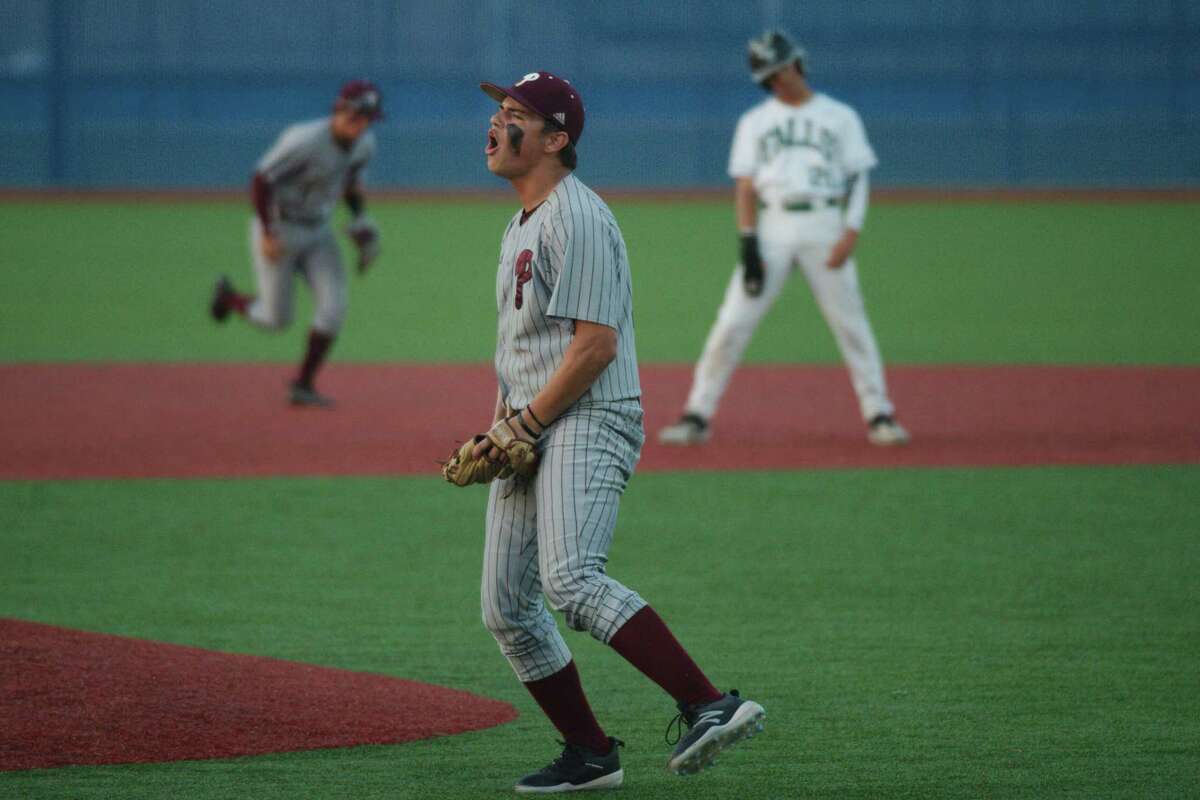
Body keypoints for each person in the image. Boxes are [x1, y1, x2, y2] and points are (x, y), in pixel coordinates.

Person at [471, 70, 765, 793]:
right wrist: (497, 433)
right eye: (499, 112)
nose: (494, 125)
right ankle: (590, 752)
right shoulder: (519, 224)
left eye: (513, 114)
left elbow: (594, 345)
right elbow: (525, 354)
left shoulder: (580, 216)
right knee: (506, 608)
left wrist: (527, 424)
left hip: (592, 414)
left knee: (569, 578)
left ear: (555, 138)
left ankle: (709, 703)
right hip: (535, 420)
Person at [658, 30, 910, 447]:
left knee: (851, 324)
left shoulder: (839, 116)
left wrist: (852, 229)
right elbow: (745, 187)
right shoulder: (755, 122)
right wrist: (748, 242)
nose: (774, 82)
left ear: (796, 64)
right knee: (732, 321)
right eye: (767, 78)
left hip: (826, 222)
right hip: (773, 225)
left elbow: (858, 176)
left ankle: (879, 413)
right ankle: (696, 413)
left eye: (778, 72)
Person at [209, 80, 383, 407]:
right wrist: (267, 232)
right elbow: (262, 180)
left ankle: (303, 384)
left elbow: (350, 184)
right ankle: (229, 298)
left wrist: (361, 223)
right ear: (339, 110)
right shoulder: (305, 140)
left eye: (368, 119)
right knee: (275, 318)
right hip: (281, 228)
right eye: (356, 116)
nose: (361, 125)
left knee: (333, 308)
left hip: (319, 230)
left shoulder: (363, 145)